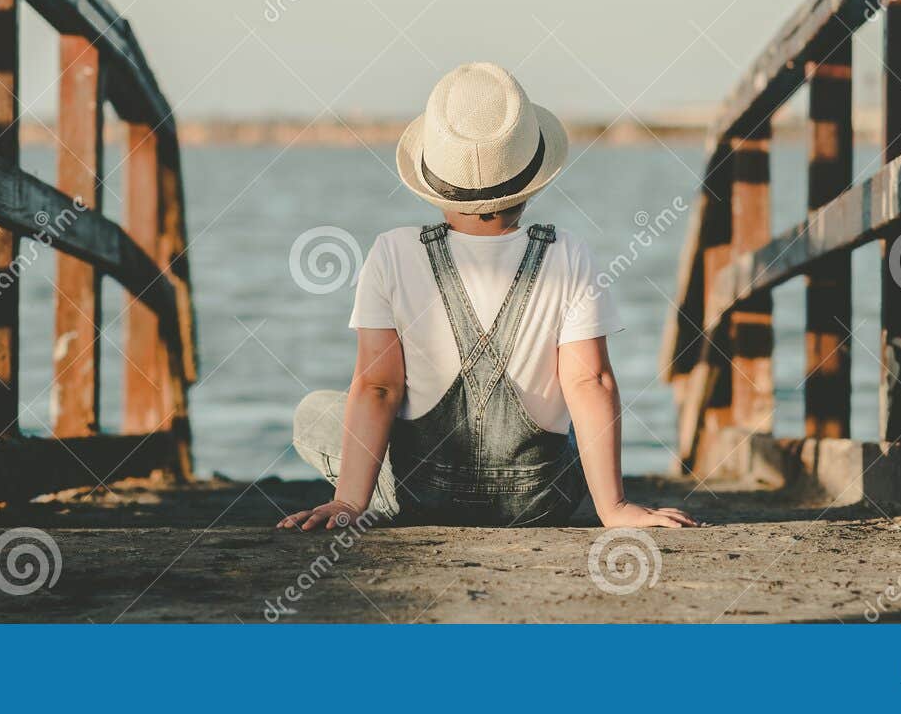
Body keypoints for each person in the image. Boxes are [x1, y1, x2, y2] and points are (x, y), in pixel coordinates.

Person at [278, 62, 700, 531]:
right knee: (573, 436)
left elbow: (379, 388)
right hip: (540, 502)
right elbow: (590, 383)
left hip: (425, 498)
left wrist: (348, 504)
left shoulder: (393, 253)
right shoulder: (568, 253)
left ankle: (368, 500)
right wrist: (613, 508)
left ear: (434, 179)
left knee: (313, 415)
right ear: (531, 175)